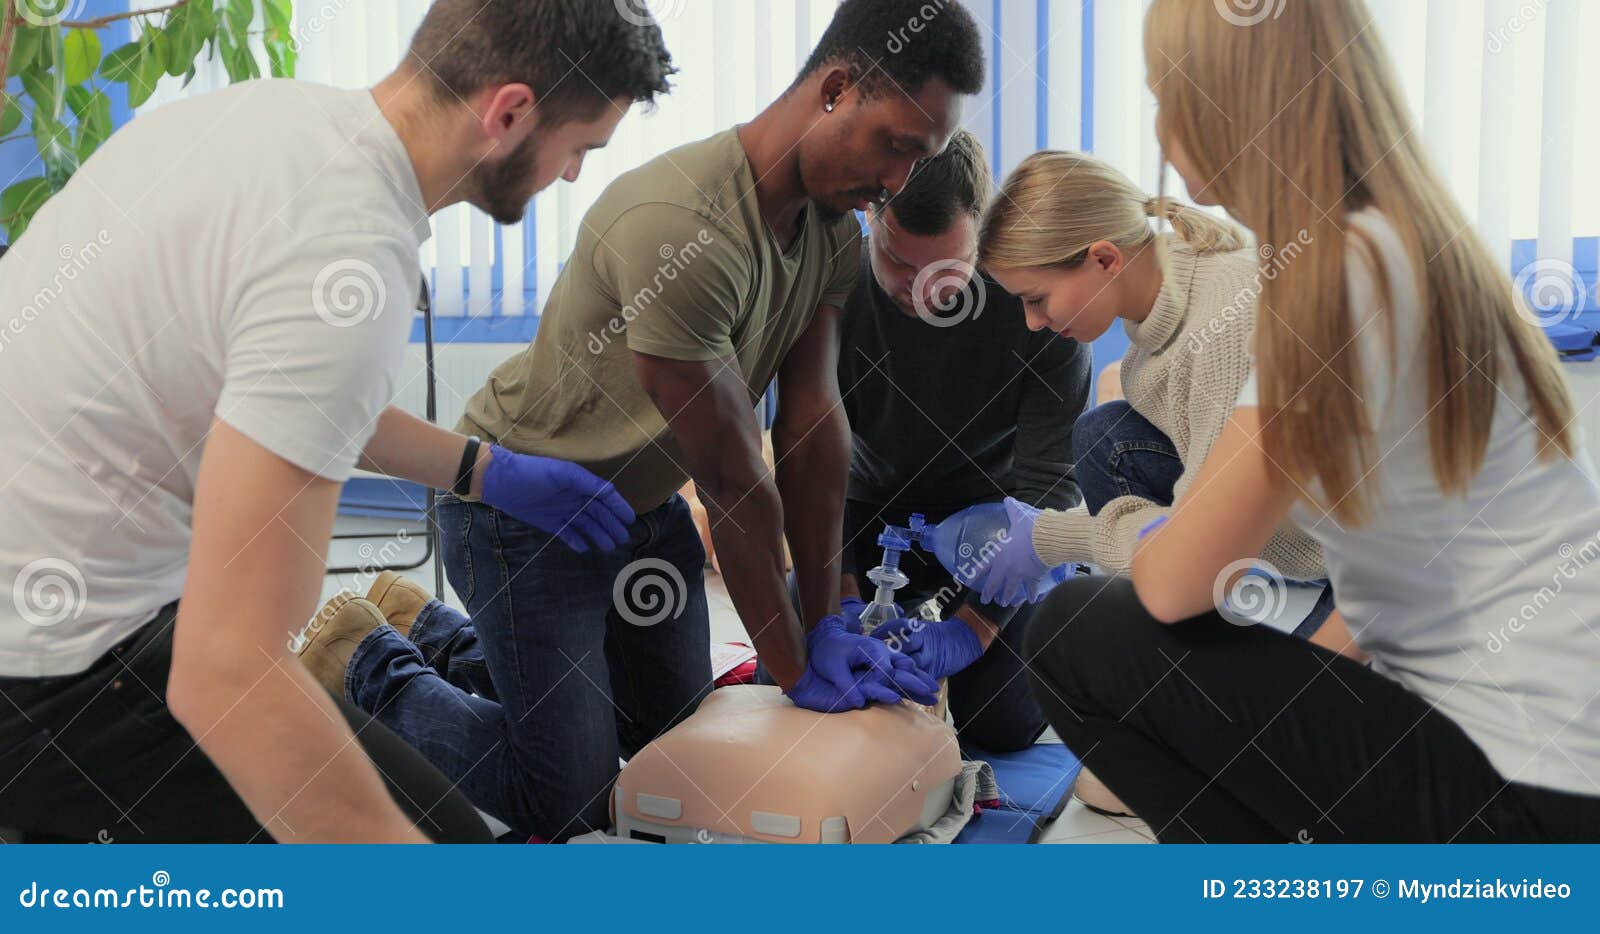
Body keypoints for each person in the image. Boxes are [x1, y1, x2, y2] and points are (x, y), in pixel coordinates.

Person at [295, 0, 986, 842]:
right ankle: (366, 656)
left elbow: (811, 430)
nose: (899, 183)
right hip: (522, 516)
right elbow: (735, 478)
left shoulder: (830, 233)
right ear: (837, 88)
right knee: (572, 802)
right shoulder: (685, 229)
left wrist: (829, 612)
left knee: (673, 748)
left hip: (642, 514)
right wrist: (797, 662)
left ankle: (430, 628)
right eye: (899, 147)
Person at [0, 0, 672, 843]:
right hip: (48, 675)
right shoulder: (349, 250)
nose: (572, 176)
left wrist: (487, 472)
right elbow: (223, 673)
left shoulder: (274, 121)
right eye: (580, 149)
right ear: (508, 114)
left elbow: (284, 401)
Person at [1025, 0, 1600, 842]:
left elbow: (1173, 581)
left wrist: (1063, 537)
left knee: (1071, 632)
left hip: (1528, 796)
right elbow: (1387, 606)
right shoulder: (1404, 247)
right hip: (1557, 767)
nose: (1158, 130)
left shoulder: (1334, 279)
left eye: (1164, 96)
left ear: (1226, 99)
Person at [814, 129, 1093, 753]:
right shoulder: (835, 289)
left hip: (996, 530)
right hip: (868, 514)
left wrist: (974, 626)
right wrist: (846, 595)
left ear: (983, 231)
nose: (919, 290)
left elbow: (1049, 483)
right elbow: (809, 459)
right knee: (822, 677)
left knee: (999, 723)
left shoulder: (1039, 303)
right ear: (871, 216)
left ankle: (1069, 595)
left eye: (944, 269)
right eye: (898, 263)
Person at [971, 150, 1328, 635]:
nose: (1033, 323)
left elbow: (1200, 538)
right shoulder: (1150, 348)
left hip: (1341, 559)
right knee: (1105, 434)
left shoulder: (1222, 321)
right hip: (1269, 529)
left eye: (1036, 299)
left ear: (1104, 259)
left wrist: (1049, 537)